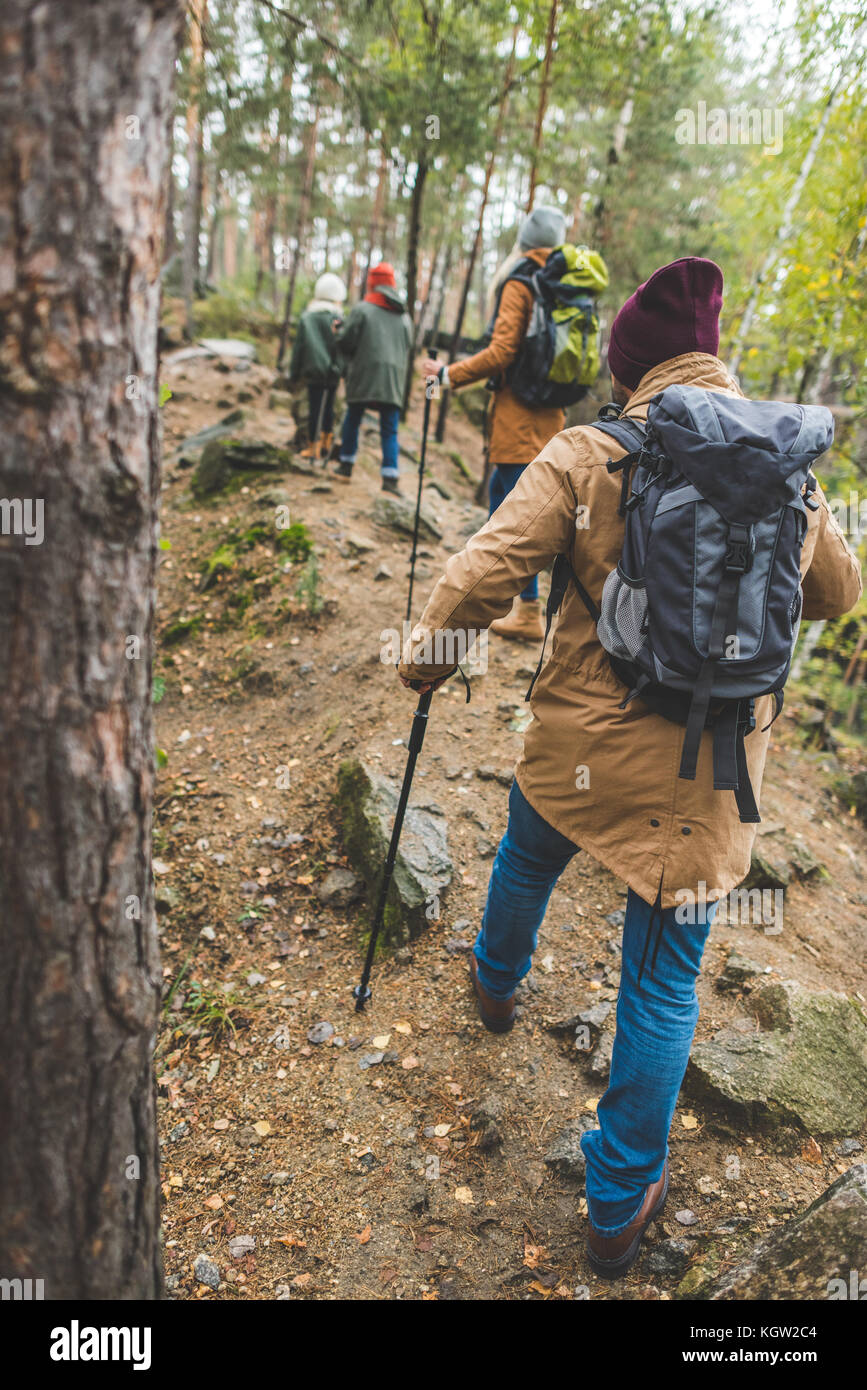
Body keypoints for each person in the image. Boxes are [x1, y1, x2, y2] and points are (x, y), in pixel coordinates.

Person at [399, 256, 862, 1277]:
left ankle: (495, 982)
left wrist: (426, 661)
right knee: (660, 986)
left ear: (632, 367)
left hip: (580, 753)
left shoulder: (588, 451)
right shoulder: (787, 466)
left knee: (526, 856)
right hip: (709, 783)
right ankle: (616, 1208)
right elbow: (837, 592)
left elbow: (486, 568)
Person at [421, 204, 569, 644]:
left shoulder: (522, 281)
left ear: (525, 242)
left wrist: (448, 375)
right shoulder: (561, 285)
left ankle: (510, 610)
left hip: (517, 414)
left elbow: (503, 351)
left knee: (510, 515)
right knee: (513, 504)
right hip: (551, 414)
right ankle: (526, 608)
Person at [335, 262, 412, 494]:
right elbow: (409, 346)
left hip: (364, 375)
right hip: (392, 379)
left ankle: (346, 465)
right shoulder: (404, 317)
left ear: (373, 283)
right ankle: (390, 478)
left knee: (353, 418)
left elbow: (346, 341)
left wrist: (338, 331)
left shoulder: (362, 310)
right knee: (389, 429)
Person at [287, 271, 346, 461]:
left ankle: (313, 447)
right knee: (328, 408)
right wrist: (342, 370)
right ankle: (326, 445)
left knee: (314, 408)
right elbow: (342, 347)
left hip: (313, 371)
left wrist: (294, 373)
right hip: (333, 372)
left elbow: (299, 348)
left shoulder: (308, 317)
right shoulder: (338, 318)